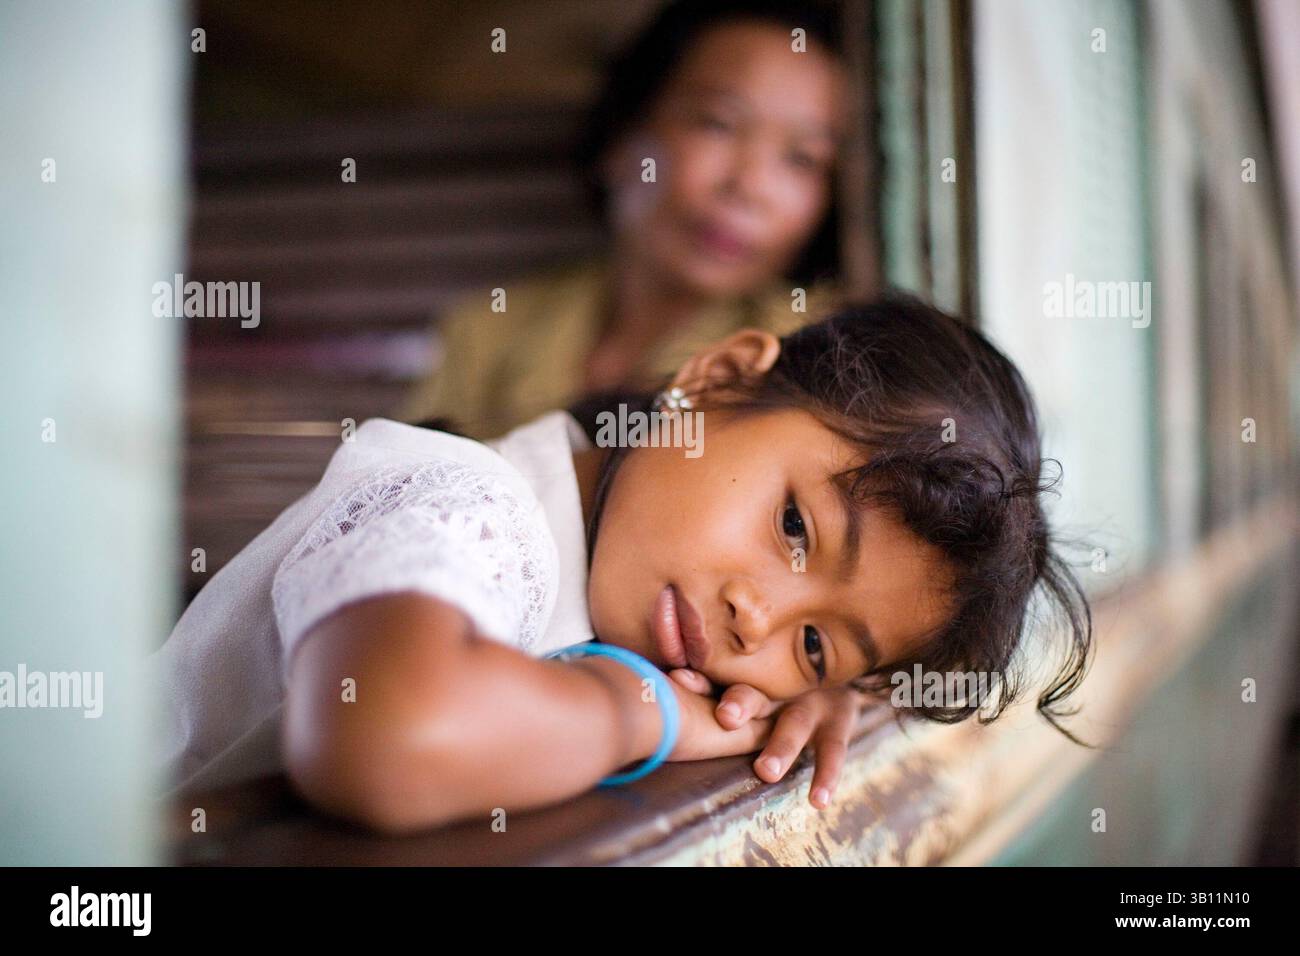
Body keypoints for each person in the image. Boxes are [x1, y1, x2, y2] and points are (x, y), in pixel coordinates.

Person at [151, 298, 1094, 834]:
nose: (754, 622)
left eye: (812, 643)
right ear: (716, 379)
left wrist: (835, 689)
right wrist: (633, 708)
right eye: (797, 527)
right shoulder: (472, 510)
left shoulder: (611, 552)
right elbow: (387, 740)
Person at [401, 0, 849, 438]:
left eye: (803, 159)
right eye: (718, 123)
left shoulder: (815, 357)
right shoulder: (486, 330)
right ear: (623, 136)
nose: (749, 185)